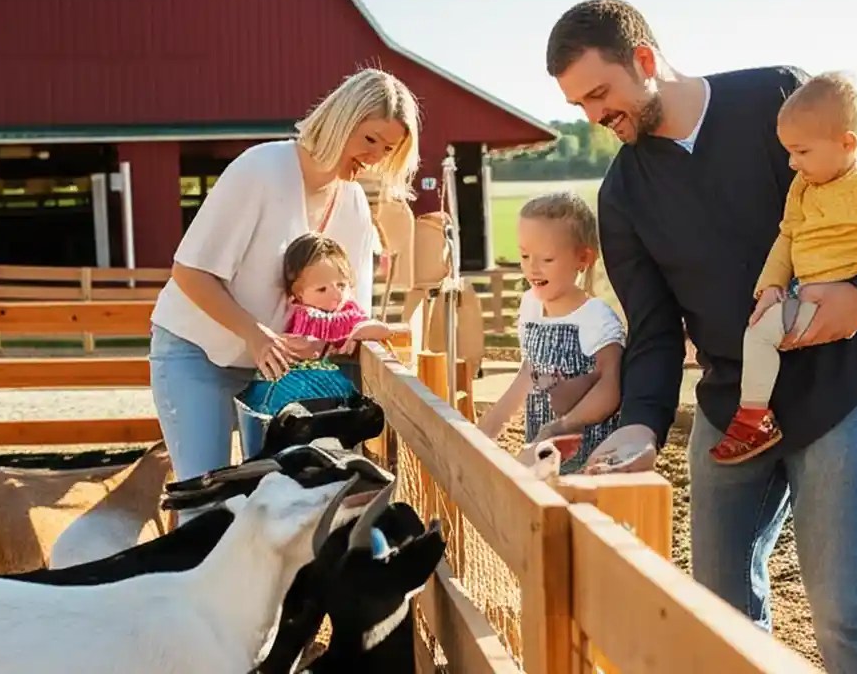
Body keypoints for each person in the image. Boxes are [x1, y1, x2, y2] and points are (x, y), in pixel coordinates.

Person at [545, 0, 857, 673]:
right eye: (580, 106)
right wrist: (643, 425)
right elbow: (653, 332)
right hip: (731, 405)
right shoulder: (622, 195)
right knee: (718, 611)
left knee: (840, 607)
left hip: (837, 391)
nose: (595, 116)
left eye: (600, 93)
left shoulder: (776, 97)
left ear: (646, 61)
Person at [148, 68, 420, 508]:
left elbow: (346, 311)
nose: (374, 157)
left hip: (277, 373)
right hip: (196, 353)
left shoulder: (352, 203)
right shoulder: (260, 170)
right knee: (206, 504)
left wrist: (357, 335)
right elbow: (189, 273)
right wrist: (257, 335)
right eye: (368, 140)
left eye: (387, 149)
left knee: (276, 504)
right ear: (340, 119)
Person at [714, 71, 857, 465]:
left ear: (847, 144)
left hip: (835, 298)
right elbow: (787, 238)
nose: (791, 162)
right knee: (760, 331)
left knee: (765, 336)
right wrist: (770, 286)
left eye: (801, 152)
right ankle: (755, 416)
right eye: (788, 151)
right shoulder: (803, 186)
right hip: (804, 290)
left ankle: (755, 417)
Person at [477, 191, 626, 474]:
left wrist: (563, 425)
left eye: (546, 259)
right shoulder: (530, 306)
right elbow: (528, 374)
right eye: (524, 255)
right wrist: (489, 427)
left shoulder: (595, 318)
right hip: (542, 454)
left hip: (588, 463)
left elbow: (611, 386)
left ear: (582, 258)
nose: (532, 268)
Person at [237, 231, 394, 416]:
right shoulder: (305, 315)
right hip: (295, 392)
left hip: (313, 398)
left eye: (341, 285)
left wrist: (360, 329)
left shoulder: (348, 311)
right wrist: (353, 331)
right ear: (298, 293)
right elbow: (330, 329)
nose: (336, 295)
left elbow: (383, 330)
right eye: (322, 289)